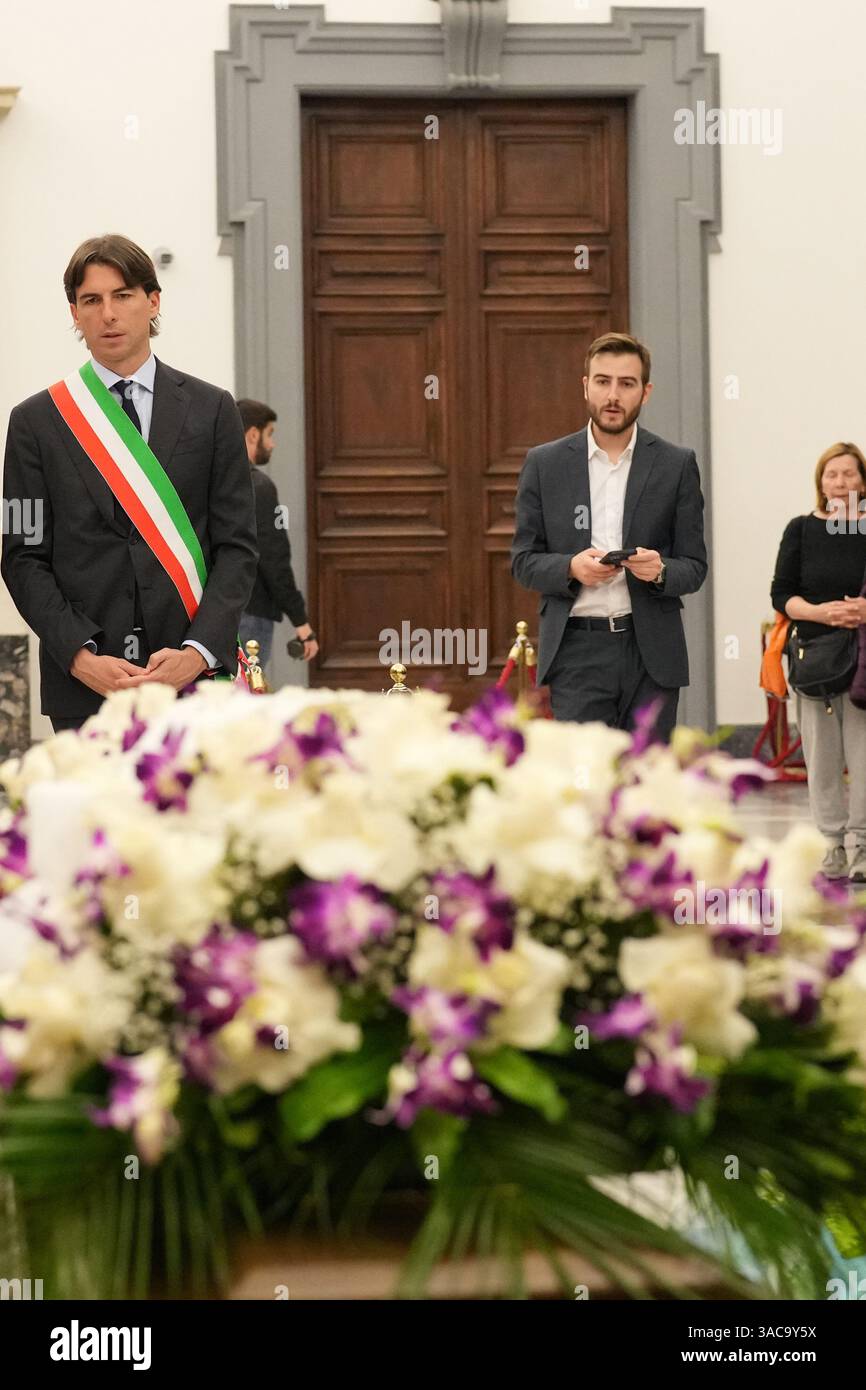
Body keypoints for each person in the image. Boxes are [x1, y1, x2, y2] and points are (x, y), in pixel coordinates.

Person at [1, 234, 258, 732]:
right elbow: (23, 555)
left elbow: (237, 547)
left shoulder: (212, 409)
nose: (108, 314)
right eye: (91, 301)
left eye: (123, 295)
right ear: (74, 313)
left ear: (153, 300)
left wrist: (198, 651)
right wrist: (79, 655)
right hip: (87, 686)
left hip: (193, 682)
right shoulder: (35, 421)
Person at [510, 331, 707, 739]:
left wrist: (659, 571)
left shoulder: (676, 464)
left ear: (645, 392)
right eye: (603, 381)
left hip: (650, 651)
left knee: (647, 788)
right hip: (577, 652)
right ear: (586, 386)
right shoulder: (544, 464)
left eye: (627, 383)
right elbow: (523, 561)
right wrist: (570, 567)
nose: (613, 395)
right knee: (587, 789)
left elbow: (694, 567)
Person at [770, 443, 866, 881]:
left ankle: (862, 845)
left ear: (863, 482)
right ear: (820, 482)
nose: (841, 482)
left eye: (849, 474)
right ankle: (832, 844)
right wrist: (821, 612)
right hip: (814, 655)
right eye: (832, 474)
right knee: (823, 758)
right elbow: (781, 593)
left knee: (864, 757)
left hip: (863, 657)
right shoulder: (801, 529)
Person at [236, 398, 318, 671]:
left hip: (214, 611)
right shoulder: (259, 486)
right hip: (252, 609)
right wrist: (301, 622)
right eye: (270, 434)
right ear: (253, 434)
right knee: (248, 695)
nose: (272, 444)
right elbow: (273, 558)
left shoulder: (211, 480)